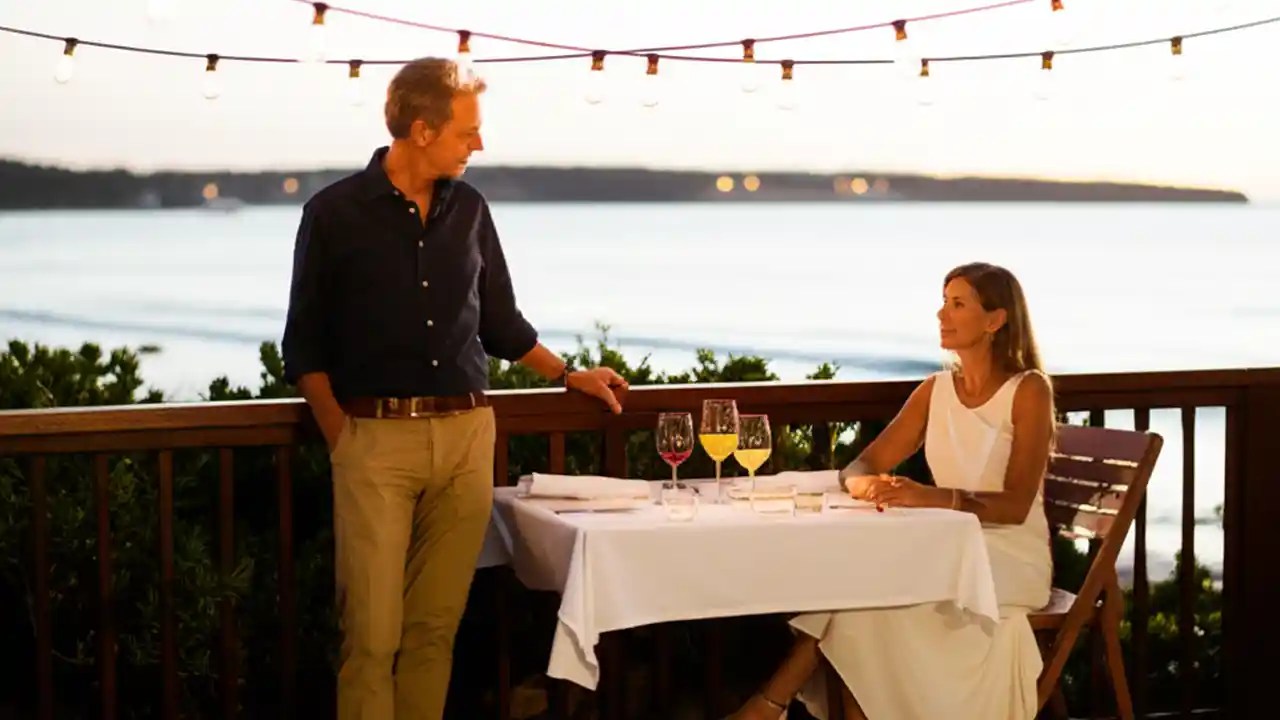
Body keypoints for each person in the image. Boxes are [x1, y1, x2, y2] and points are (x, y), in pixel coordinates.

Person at [281, 57, 628, 720]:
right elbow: (304, 346)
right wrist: (345, 440)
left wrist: (567, 374)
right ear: (421, 129)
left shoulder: (469, 208)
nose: (479, 143)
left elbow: (500, 322)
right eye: (468, 130)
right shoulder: (333, 214)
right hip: (374, 445)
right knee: (372, 637)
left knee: (434, 631)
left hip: (468, 437)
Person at [730, 262, 1055, 720]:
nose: (942, 314)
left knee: (861, 604)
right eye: (943, 302)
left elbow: (1017, 505)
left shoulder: (1028, 391)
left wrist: (930, 496)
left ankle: (767, 707)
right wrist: (867, 484)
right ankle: (769, 708)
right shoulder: (936, 391)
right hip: (946, 547)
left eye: (958, 304)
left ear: (995, 320)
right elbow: (863, 464)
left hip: (1008, 557)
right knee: (858, 598)